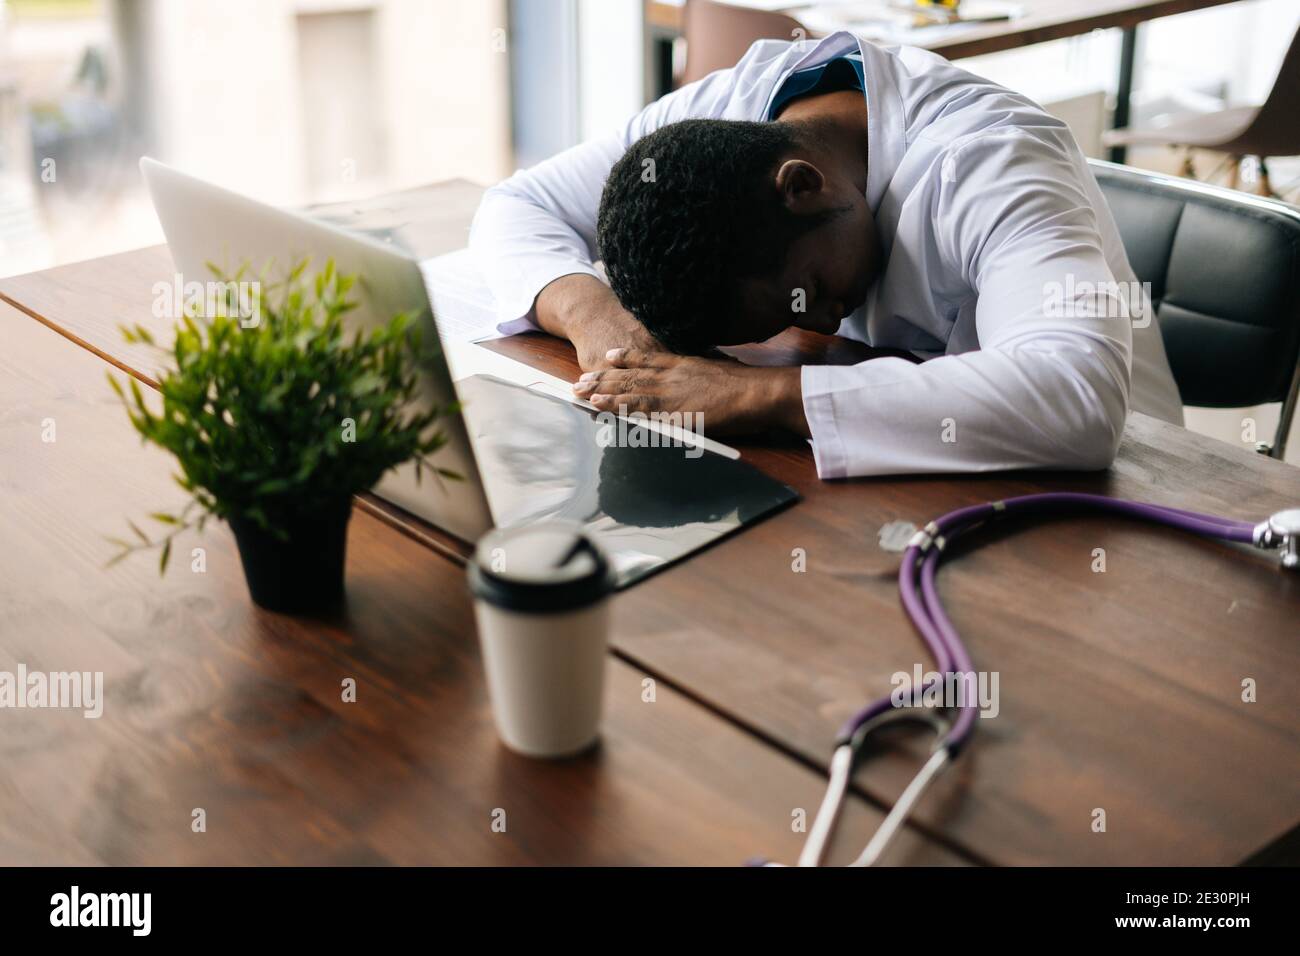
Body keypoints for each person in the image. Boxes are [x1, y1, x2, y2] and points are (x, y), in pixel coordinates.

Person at [469, 31, 1184, 478]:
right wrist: (600, 325)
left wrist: (757, 393)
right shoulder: (718, 122)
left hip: (1119, 483)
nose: (823, 318)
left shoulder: (991, 162)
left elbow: (1077, 398)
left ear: (803, 187)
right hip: (909, 459)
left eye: (804, 294)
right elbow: (515, 206)